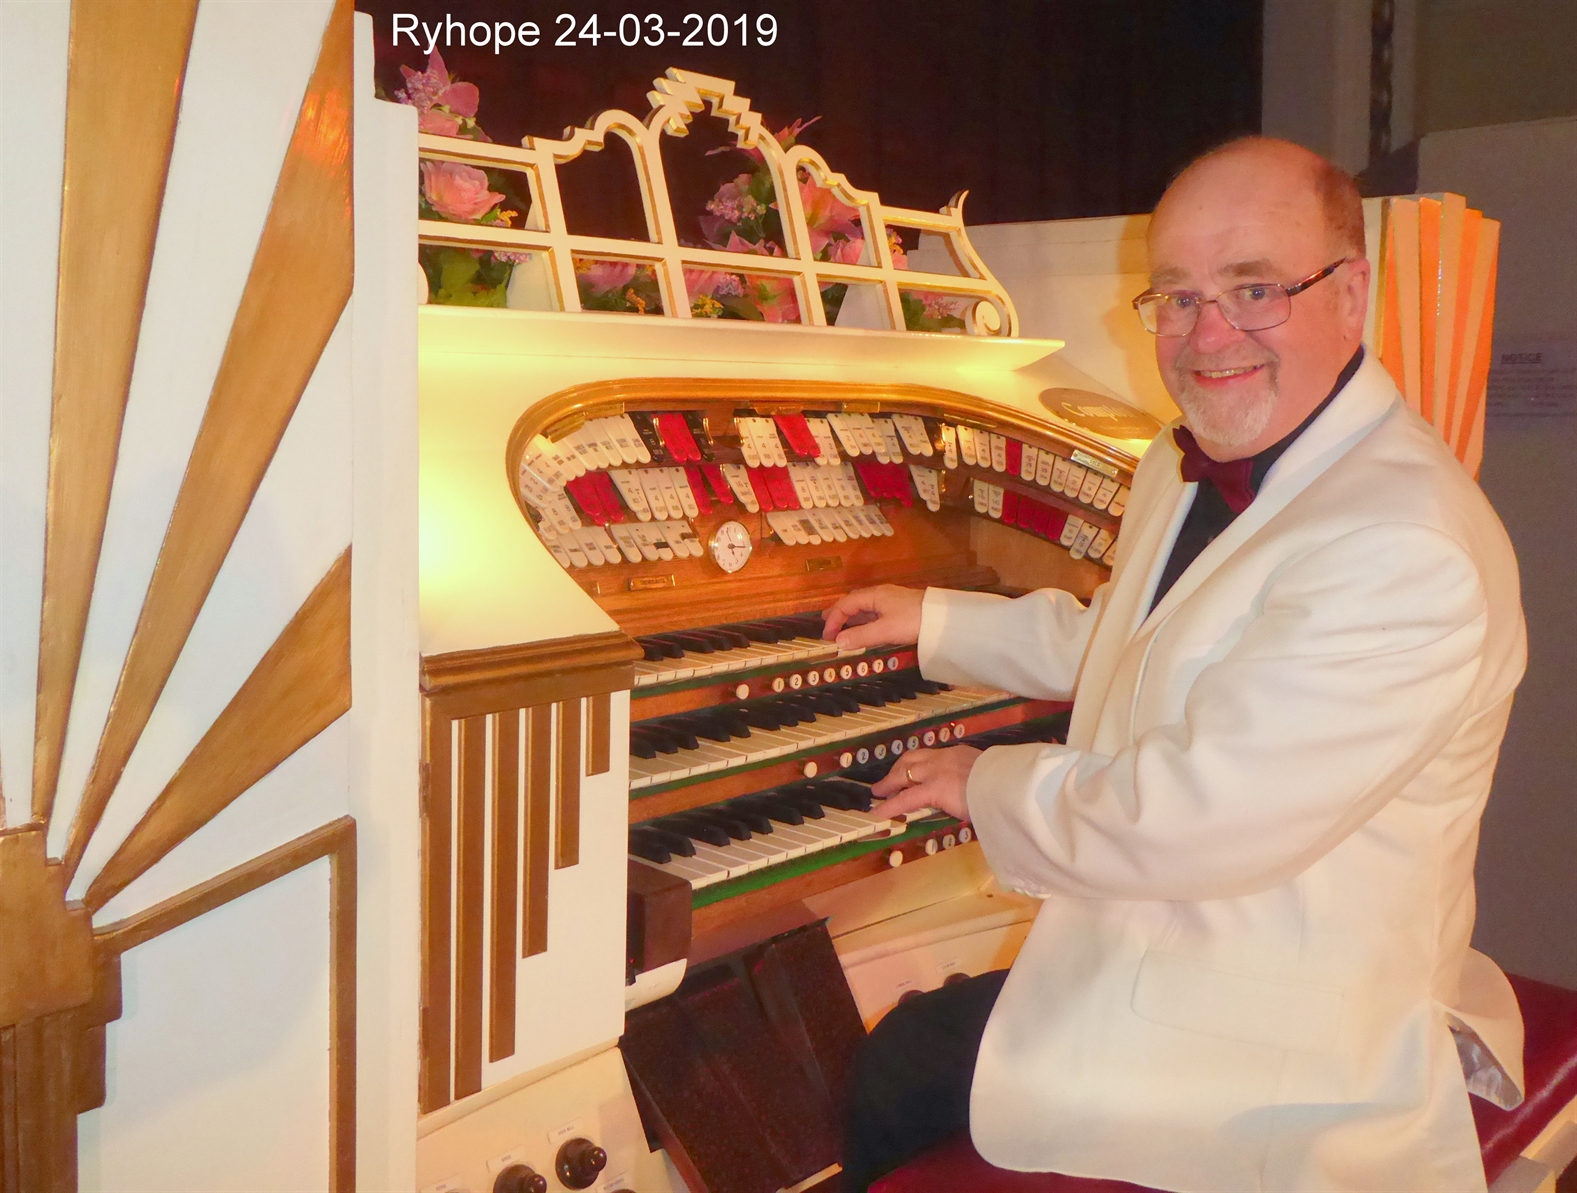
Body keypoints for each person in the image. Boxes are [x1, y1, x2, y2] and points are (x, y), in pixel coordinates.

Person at [825, 137, 1527, 1193]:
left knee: (895, 1062)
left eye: (1253, 289)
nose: (1208, 336)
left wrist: (983, 779)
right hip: (1174, 932)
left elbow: (1197, 816)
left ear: (1351, 289)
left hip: (1274, 1022)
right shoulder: (1183, 455)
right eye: (1178, 296)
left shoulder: (1401, 541)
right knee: (917, 1037)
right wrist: (932, 619)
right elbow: (1136, 637)